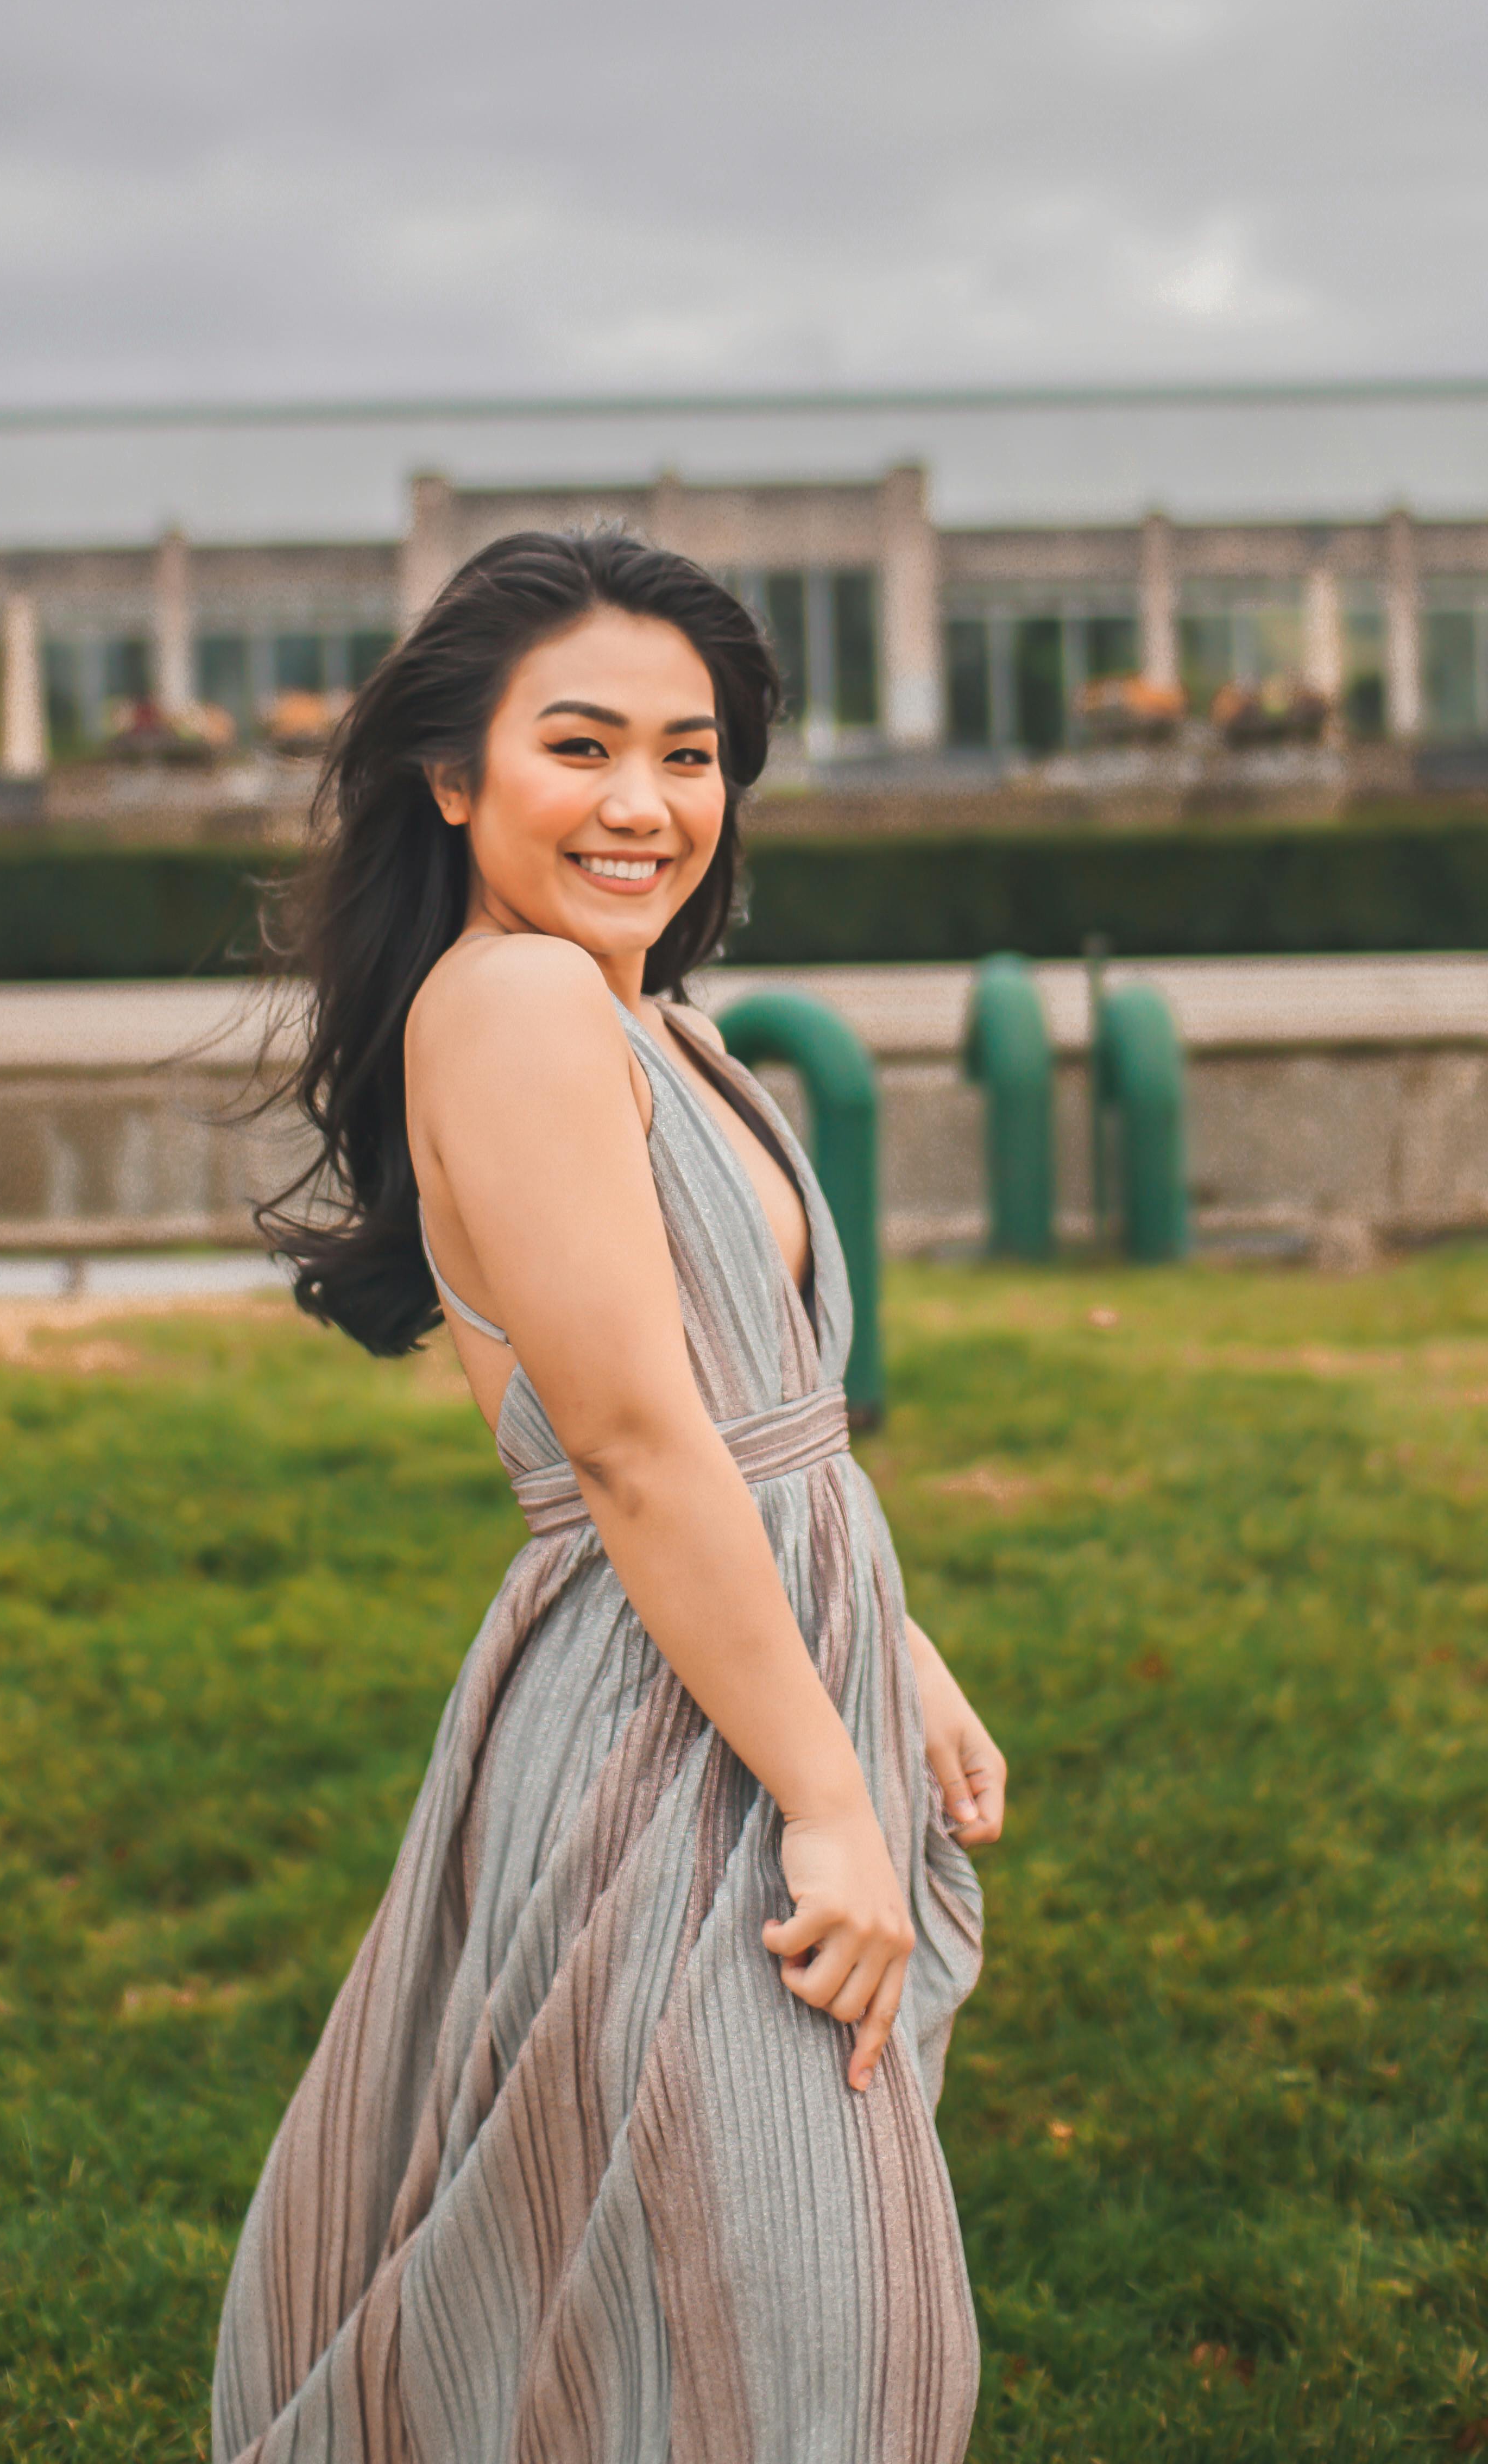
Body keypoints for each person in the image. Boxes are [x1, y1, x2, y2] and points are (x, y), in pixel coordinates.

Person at [213, 527, 1006, 2464]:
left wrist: (892, 1652)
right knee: (811, 2318)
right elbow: (630, 1451)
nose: (645, 804)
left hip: (752, 1659)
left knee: (691, 2285)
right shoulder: (516, 1010)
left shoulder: (651, 1018)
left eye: (691, 753)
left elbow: (747, 1417)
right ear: (453, 774)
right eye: (581, 747)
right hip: (669, 1726)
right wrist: (827, 1801)